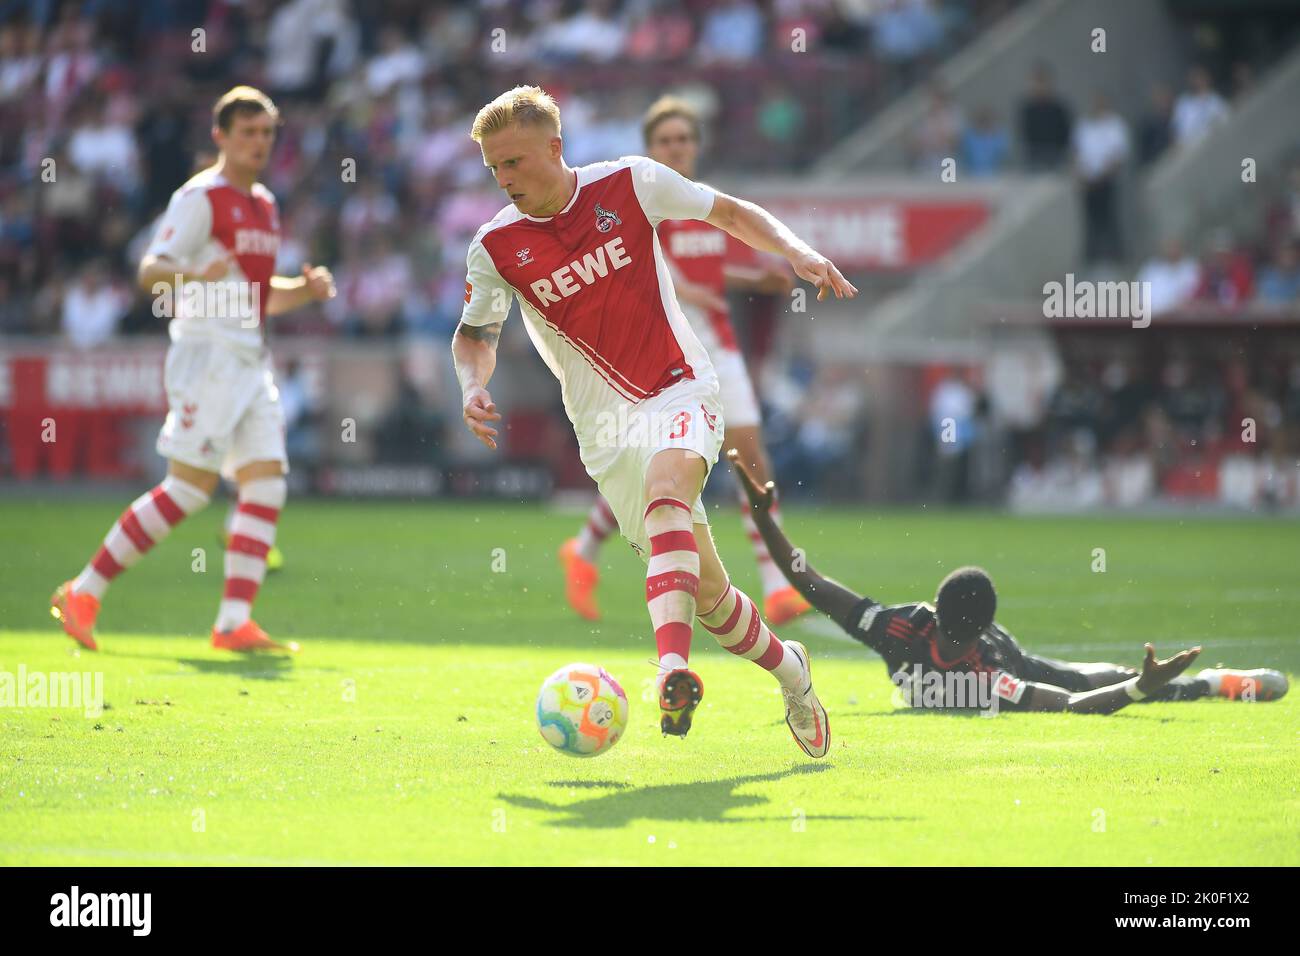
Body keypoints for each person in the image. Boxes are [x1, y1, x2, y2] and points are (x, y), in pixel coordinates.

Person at [453, 86, 857, 754]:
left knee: (670, 489)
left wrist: (796, 251)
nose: (505, 179)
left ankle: (672, 670)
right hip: (604, 431)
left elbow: (728, 211)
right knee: (710, 596)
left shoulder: (630, 182)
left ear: (555, 147)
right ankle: (792, 671)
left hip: (679, 385)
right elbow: (475, 333)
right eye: (494, 168)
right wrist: (472, 384)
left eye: (516, 162)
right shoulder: (495, 245)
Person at [50, 86, 336, 654]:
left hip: (250, 357)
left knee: (267, 481)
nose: (259, 143)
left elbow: (257, 295)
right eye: (248, 132)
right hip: (206, 356)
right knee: (188, 488)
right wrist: (195, 275)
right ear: (220, 136)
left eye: (266, 133)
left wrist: (303, 291)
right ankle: (84, 590)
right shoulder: (201, 197)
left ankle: (233, 622)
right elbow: (150, 271)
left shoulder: (266, 205)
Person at [729, 450, 1288, 712]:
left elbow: (811, 583)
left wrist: (765, 520)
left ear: (936, 607)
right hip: (1019, 671)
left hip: (1026, 667)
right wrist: (1140, 686)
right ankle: (1208, 683)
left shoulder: (922, 639)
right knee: (1109, 679)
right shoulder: (942, 650)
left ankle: (1221, 684)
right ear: (984, 625)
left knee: (1095, 678)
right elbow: (815, 587)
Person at [559, 95, 810, 626]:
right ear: (649, 150)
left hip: (717, 347)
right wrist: (711, 289)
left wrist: (750, 280)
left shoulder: (699, 205)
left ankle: (775, 582)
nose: (677, 149)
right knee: (661, 472)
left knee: (751, 457)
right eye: (665, 141)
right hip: (660, 353)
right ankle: (583, 549)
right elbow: (673, 280)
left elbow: (704, 276)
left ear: (697, 146)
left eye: (684, 139)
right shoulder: (638, 206)